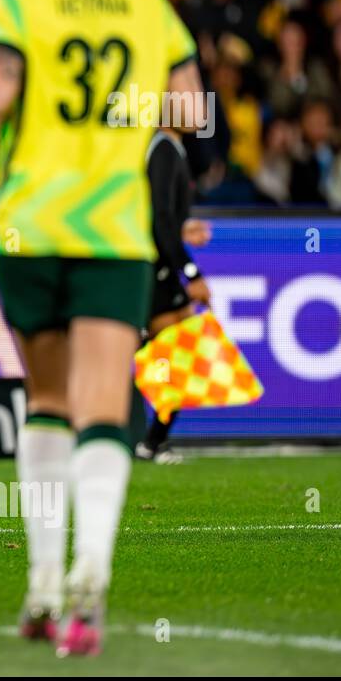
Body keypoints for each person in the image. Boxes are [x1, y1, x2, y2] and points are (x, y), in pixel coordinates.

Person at [0, 0, 204, 656]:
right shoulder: (146, 0)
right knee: (108, 404)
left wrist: (39, 132)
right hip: (114, 228)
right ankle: (90, 574)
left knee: (47, 400)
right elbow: (186, 106)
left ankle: (40, 584)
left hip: (29, 222)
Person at [137, 127, 211, 464]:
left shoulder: (170, 148)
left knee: (174, 358)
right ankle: (151, 441)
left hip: (159, 268)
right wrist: (191, 272)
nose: (200, 102)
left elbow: (161, 218)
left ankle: (153, 441)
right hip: (155, 270)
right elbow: (159, 219)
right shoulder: (163, 149)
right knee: (174, 358)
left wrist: (182, 230)